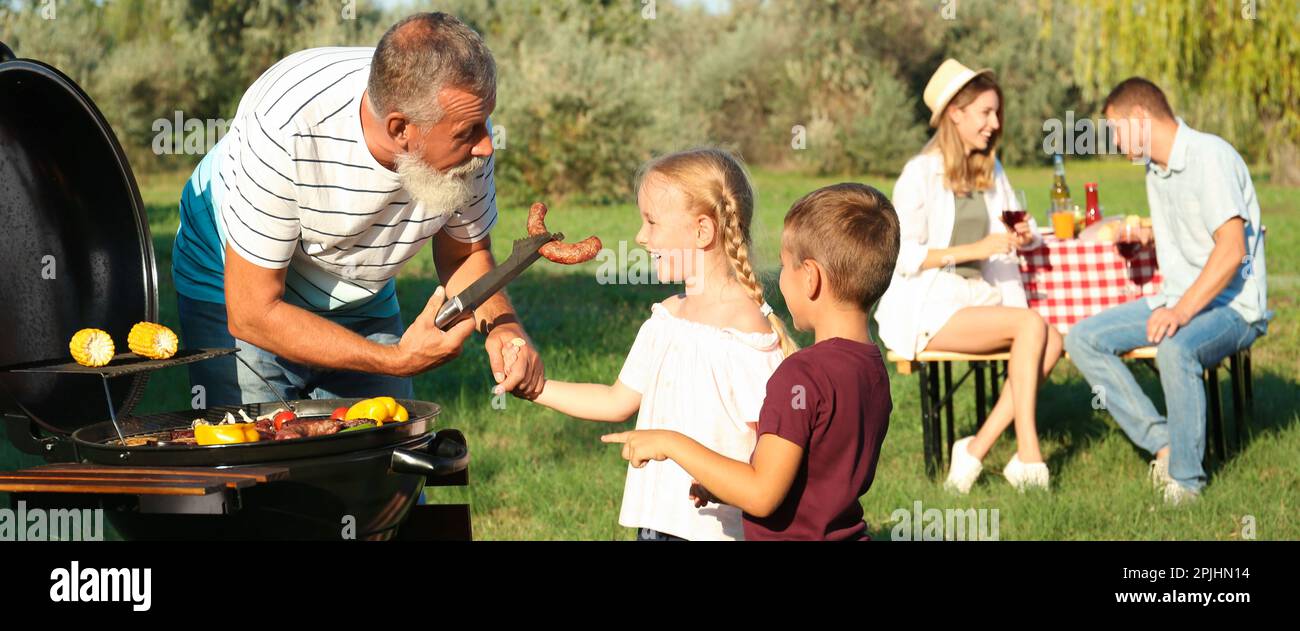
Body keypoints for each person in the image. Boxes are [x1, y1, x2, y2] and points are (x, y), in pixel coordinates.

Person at [171, 13, 544, 405]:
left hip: (357, 282)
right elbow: (252, 312)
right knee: (258, 450)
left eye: (485, 122)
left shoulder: (464, 131)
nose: (487, 145)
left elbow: (465, 252)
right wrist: (396, 359)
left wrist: (504, 328)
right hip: (240, 282)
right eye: (468, 131)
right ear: (401, 129)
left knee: (381, 449)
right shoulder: (286, 125)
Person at [518, 148, 796, 541]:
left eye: (651, 222)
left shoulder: (746, 336)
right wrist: (535, 388)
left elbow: (773, 461)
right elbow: (616, 401)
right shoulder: (666, 319)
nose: (640, 236)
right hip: (655, 528)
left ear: (703, 231)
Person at [603, 183, 898, 541]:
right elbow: (810, 477)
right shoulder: (871, 368)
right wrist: (722, 486)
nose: (780, 277)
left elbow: (762, 495)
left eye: (785, 265)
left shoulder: (801, 375)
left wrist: (669, 441)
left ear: (810, 277)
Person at [1065, 77, 1270, 505]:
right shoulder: (1156, 168)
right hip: (1179, 295)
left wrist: (1179, 314)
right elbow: (1195, 234)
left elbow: (1231, 250)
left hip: (1234, 304)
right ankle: (1164, 442)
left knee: (1175, 348)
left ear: (1140, 118)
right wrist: (1150, 238)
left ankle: (1187, 481)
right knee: (1082, 338)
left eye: (1116, 129)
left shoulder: (1208, 156)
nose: (1114, 141)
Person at [875, 59, 1060, 493]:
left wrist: (1022, 236)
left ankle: (976, 448)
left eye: (997, 113)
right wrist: (972, 251)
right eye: (985, 113)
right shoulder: (919, 174)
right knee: (1033, 327)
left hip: (978, 298)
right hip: (930, 305)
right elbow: (900, 255)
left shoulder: (991, 171)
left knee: (1053, 339)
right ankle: (1029, 453)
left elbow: (1005, 244)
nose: (995, 124)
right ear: (954, 114)